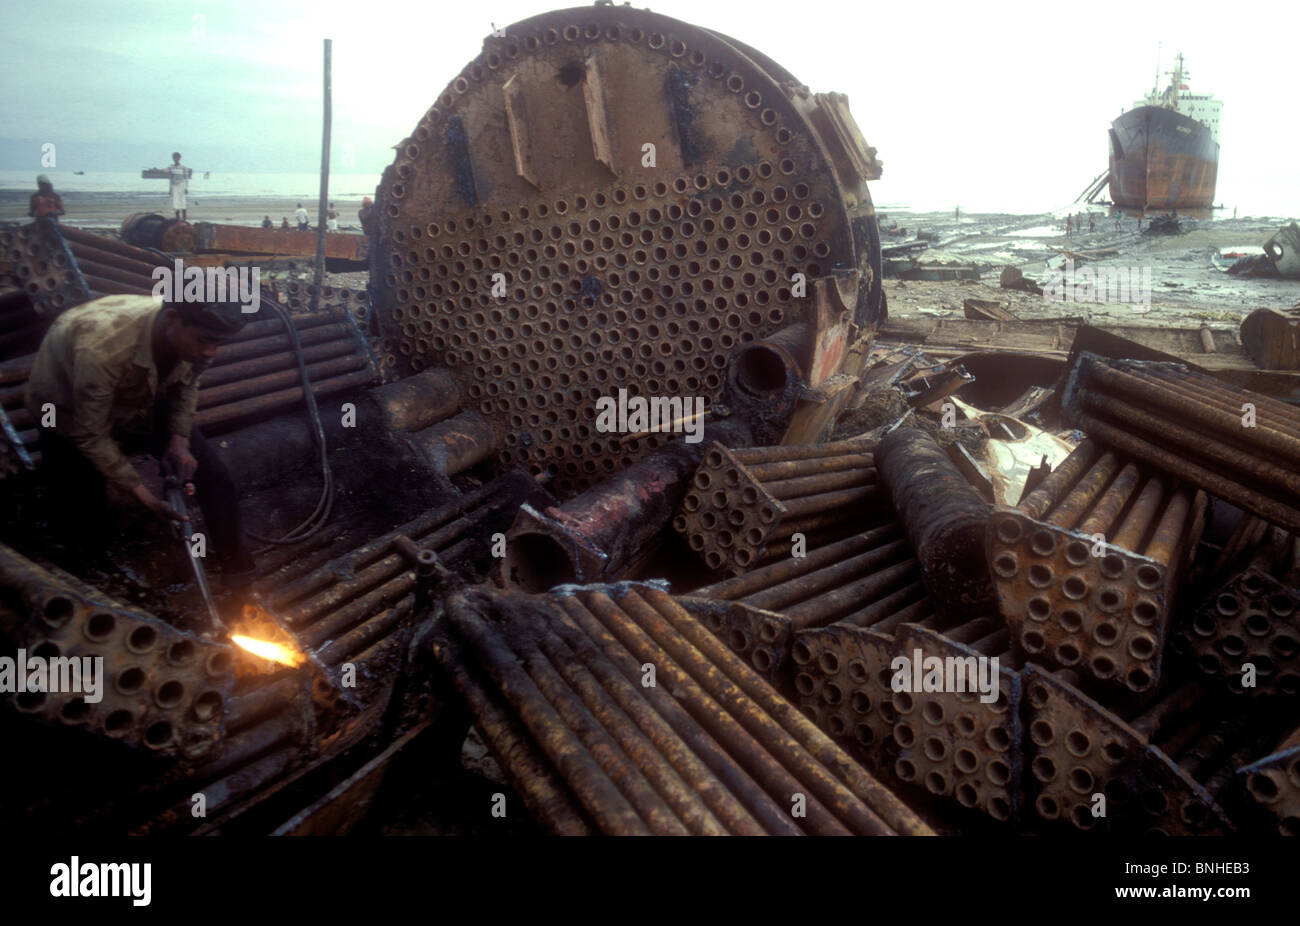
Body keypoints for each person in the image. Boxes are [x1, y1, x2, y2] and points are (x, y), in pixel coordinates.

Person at [25, 294, 257, 603]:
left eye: (218, 343)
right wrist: (146, 497)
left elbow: (188, 384)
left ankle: (239, 577)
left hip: (138, 395)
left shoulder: (197, 336)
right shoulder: (102, 347)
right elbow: (90, 434)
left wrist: (179, 439)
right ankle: (96, 582)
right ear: (172, 319)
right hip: (66, 408)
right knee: (82, 503)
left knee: (213, 475)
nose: (211, 351)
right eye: (205, 341)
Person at [168, 152, 189, 221]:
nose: (175, 159)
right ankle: (177, 218)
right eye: (174, 157)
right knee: (175, 203)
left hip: (181, 185)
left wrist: (186, 188)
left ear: (179, 158)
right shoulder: (171, 167)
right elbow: (170, 179)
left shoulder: (183, 167)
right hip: (174, 186)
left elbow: (186, 178)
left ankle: (184, 218)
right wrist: (170, 189)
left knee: (182, 202)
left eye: (177, 157)